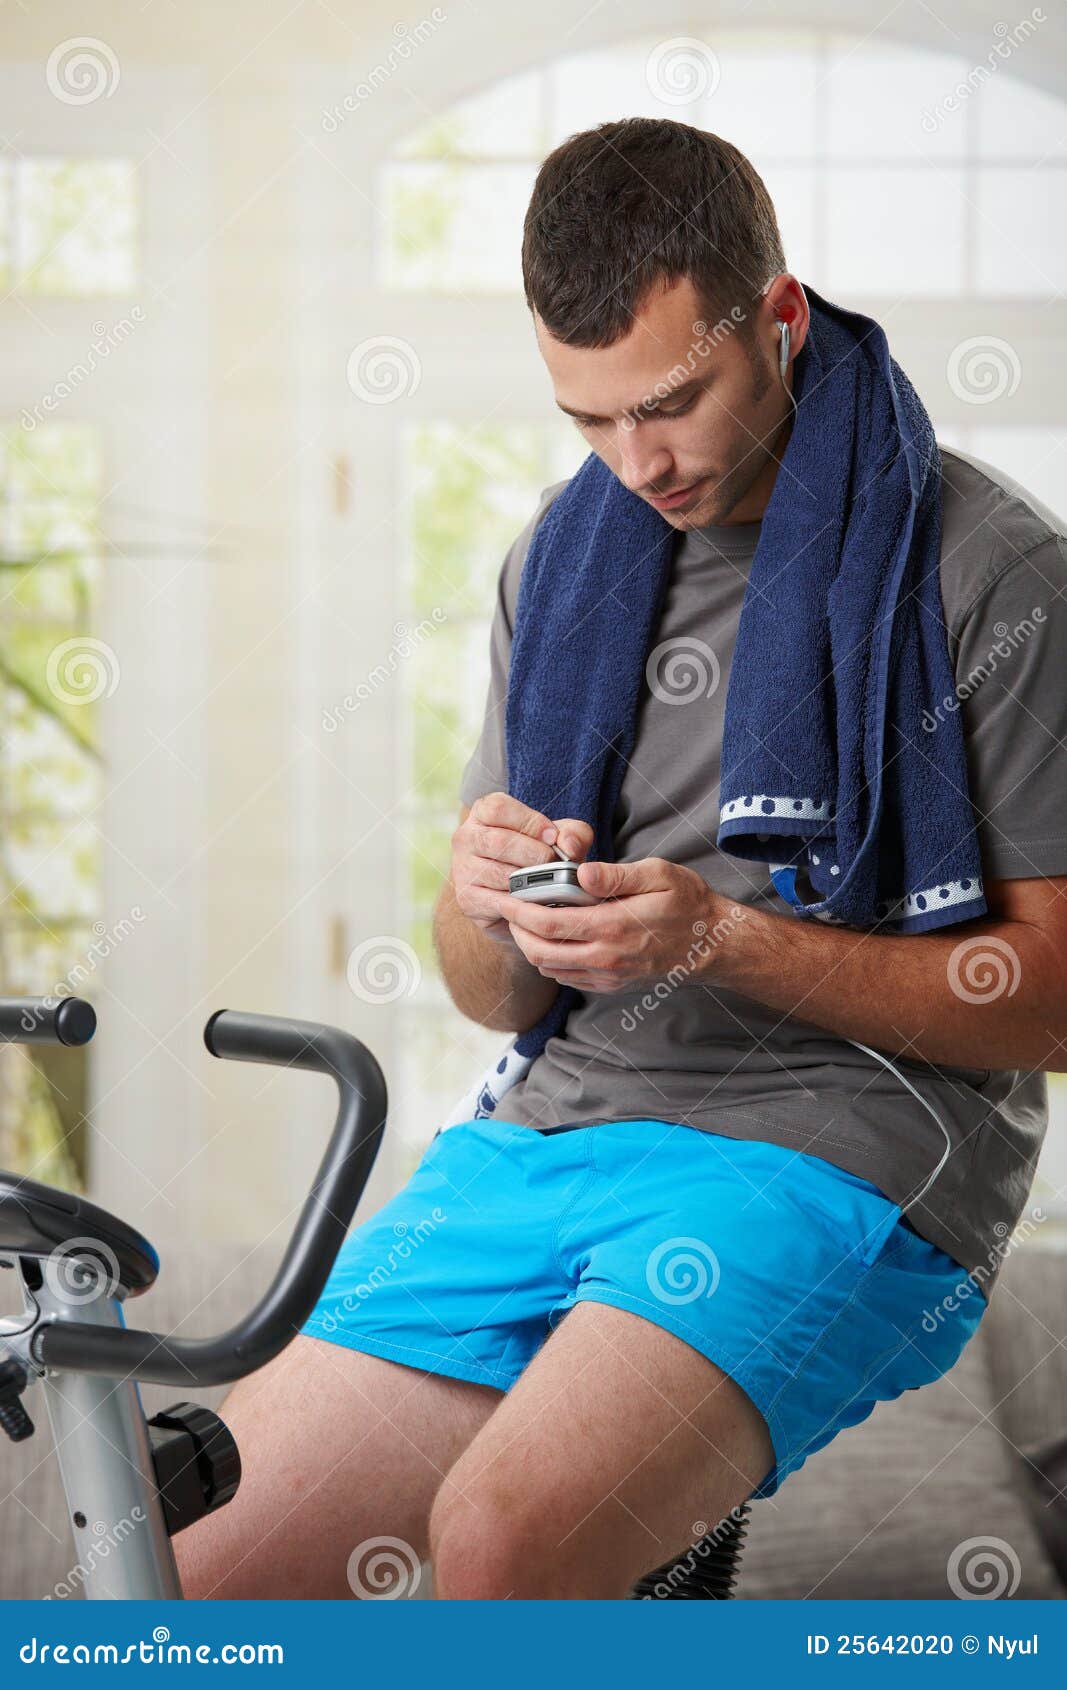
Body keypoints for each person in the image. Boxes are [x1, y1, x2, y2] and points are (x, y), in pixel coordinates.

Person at [177, 118, 1067, 1601]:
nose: (636, 463)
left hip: (841, 1146)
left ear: (779, 318)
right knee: (187, 1572)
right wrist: (482, 901)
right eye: (587, 419)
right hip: (553, 1132)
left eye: (671, 402)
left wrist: (721, 941)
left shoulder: (992, 570)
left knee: (502, 1540)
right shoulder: (562, 560)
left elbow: (1052, 1005)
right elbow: (493, 999)